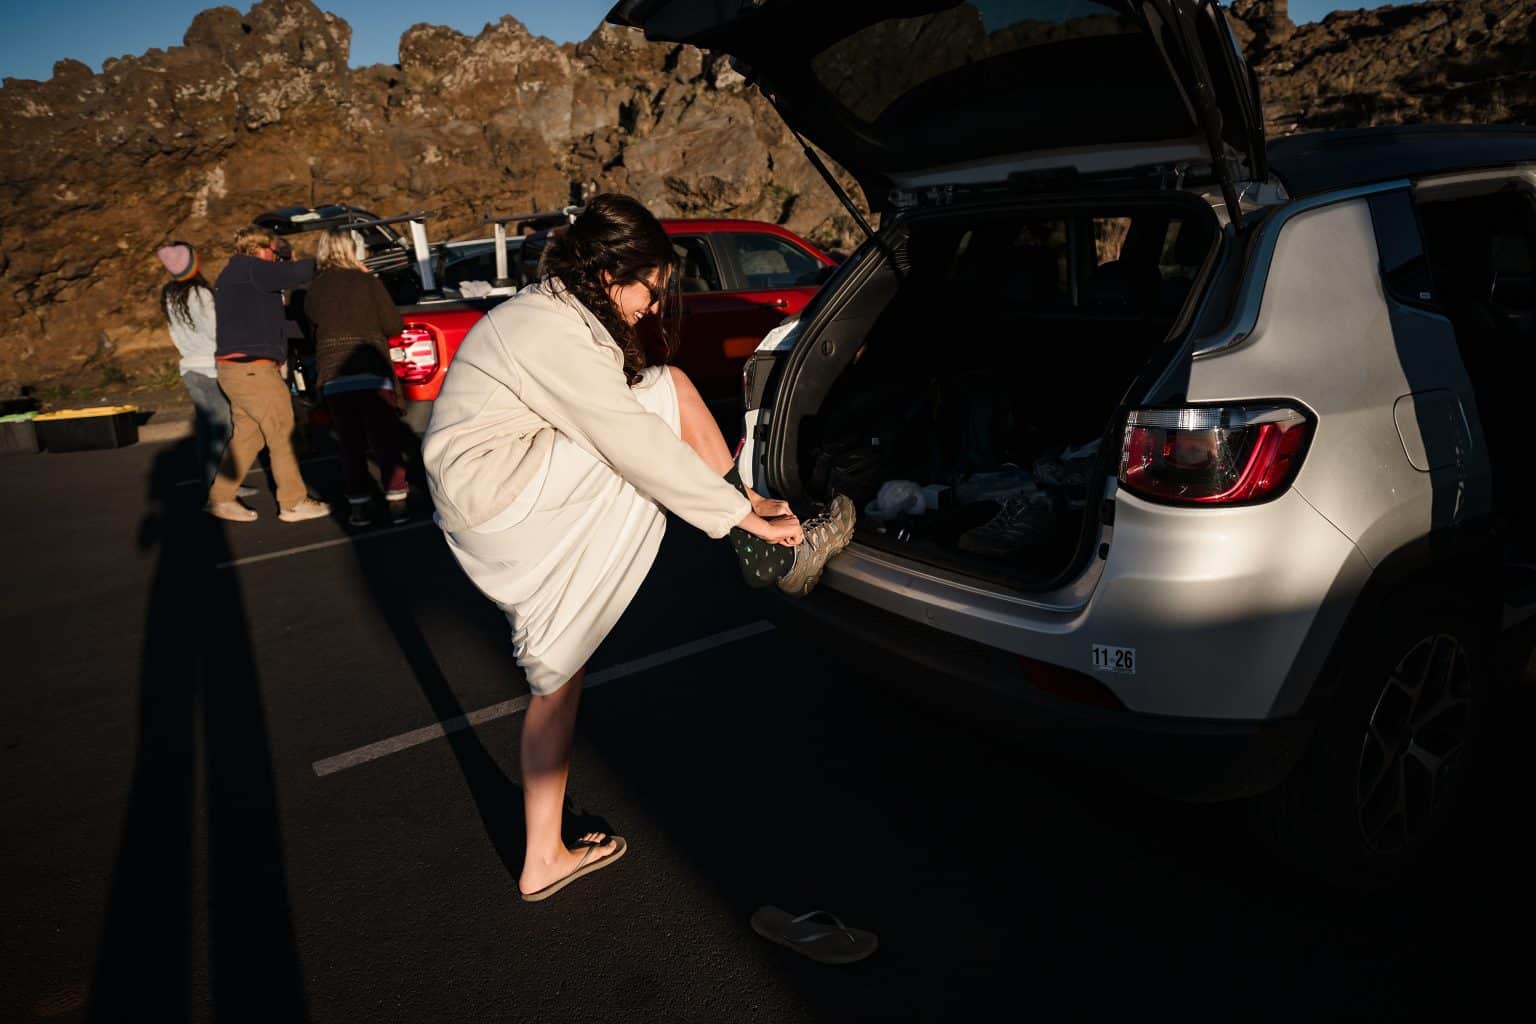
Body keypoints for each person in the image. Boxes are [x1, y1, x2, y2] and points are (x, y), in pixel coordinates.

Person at [423, 194, 855, 902]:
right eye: (652, 289)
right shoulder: (548, 330)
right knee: (669, 393)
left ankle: (544, 859)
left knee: (558, 673)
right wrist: (741, 517)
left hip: (492, 494)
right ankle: (762, 541)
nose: (656, 306)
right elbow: (632, 439)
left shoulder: (557, 314)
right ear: (611, 272)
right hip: (502, 497)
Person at [207, 226, 331, 524]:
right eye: (275, 254)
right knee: (282, 431)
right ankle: (293, 502)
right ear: (261, 250)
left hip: (237, 371)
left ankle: (221, 498)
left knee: (248, 437)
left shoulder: (237, 277)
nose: (276, 260)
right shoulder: (251, 269)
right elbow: (299, 272)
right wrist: (331, 260)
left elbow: (278, 326)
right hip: (253, 371)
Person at [302, 229, 410, 526]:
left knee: (351, 446)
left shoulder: (314, 289)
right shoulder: (366, 283)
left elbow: (313, 332)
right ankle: (396, 502)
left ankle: (359, 505)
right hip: (371, 372)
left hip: (335, 375)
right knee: (386, 441)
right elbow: (392, 325)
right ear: (352, 250)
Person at [156, 241, 254, 497]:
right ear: (193, 263)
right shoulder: (201, 293)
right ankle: (223, 486)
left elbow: (175, 334)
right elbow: (216, 330)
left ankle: (211, 480)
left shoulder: (169, 295)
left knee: (206, 429)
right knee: (223, 428)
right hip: (210, 368)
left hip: (189, 368)